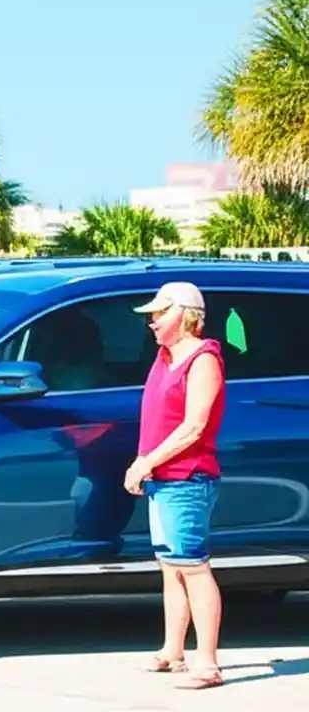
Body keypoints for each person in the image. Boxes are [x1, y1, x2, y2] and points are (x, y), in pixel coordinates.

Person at [124, 281, 227, 690]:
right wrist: (147, 464)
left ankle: (208, 662)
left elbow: (194, 426)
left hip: (188, 477)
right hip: (163, 478)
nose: (152, 321)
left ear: (185, 316)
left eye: (160, 313)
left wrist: (146, 461)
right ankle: (173, 650)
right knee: (171, 568)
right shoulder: (164, 358)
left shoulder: (203, 360)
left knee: (193, 566)